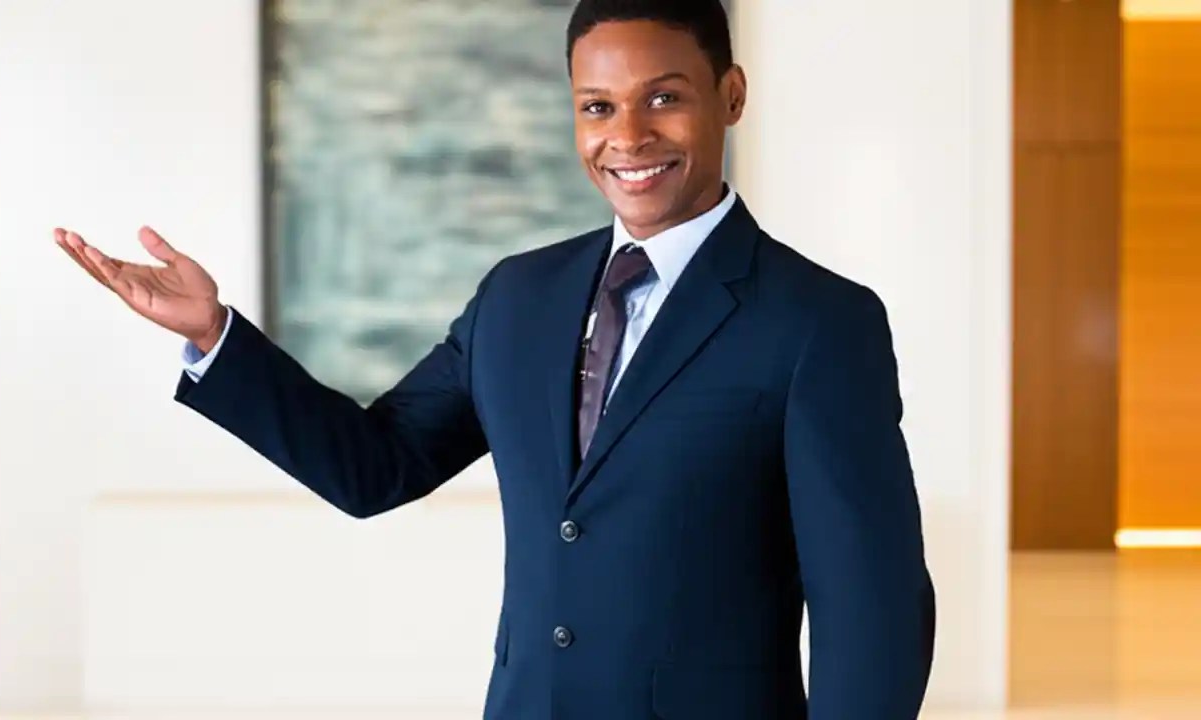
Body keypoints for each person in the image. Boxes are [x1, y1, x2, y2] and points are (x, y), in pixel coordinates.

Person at [55, 0, 936, 717]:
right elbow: (378, 466)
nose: (626, 135)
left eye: (663, 97)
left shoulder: (821, 322)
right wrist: (215, 337)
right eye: (596, 106)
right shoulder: (520, 297)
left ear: (731, 94)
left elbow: (874, 611)